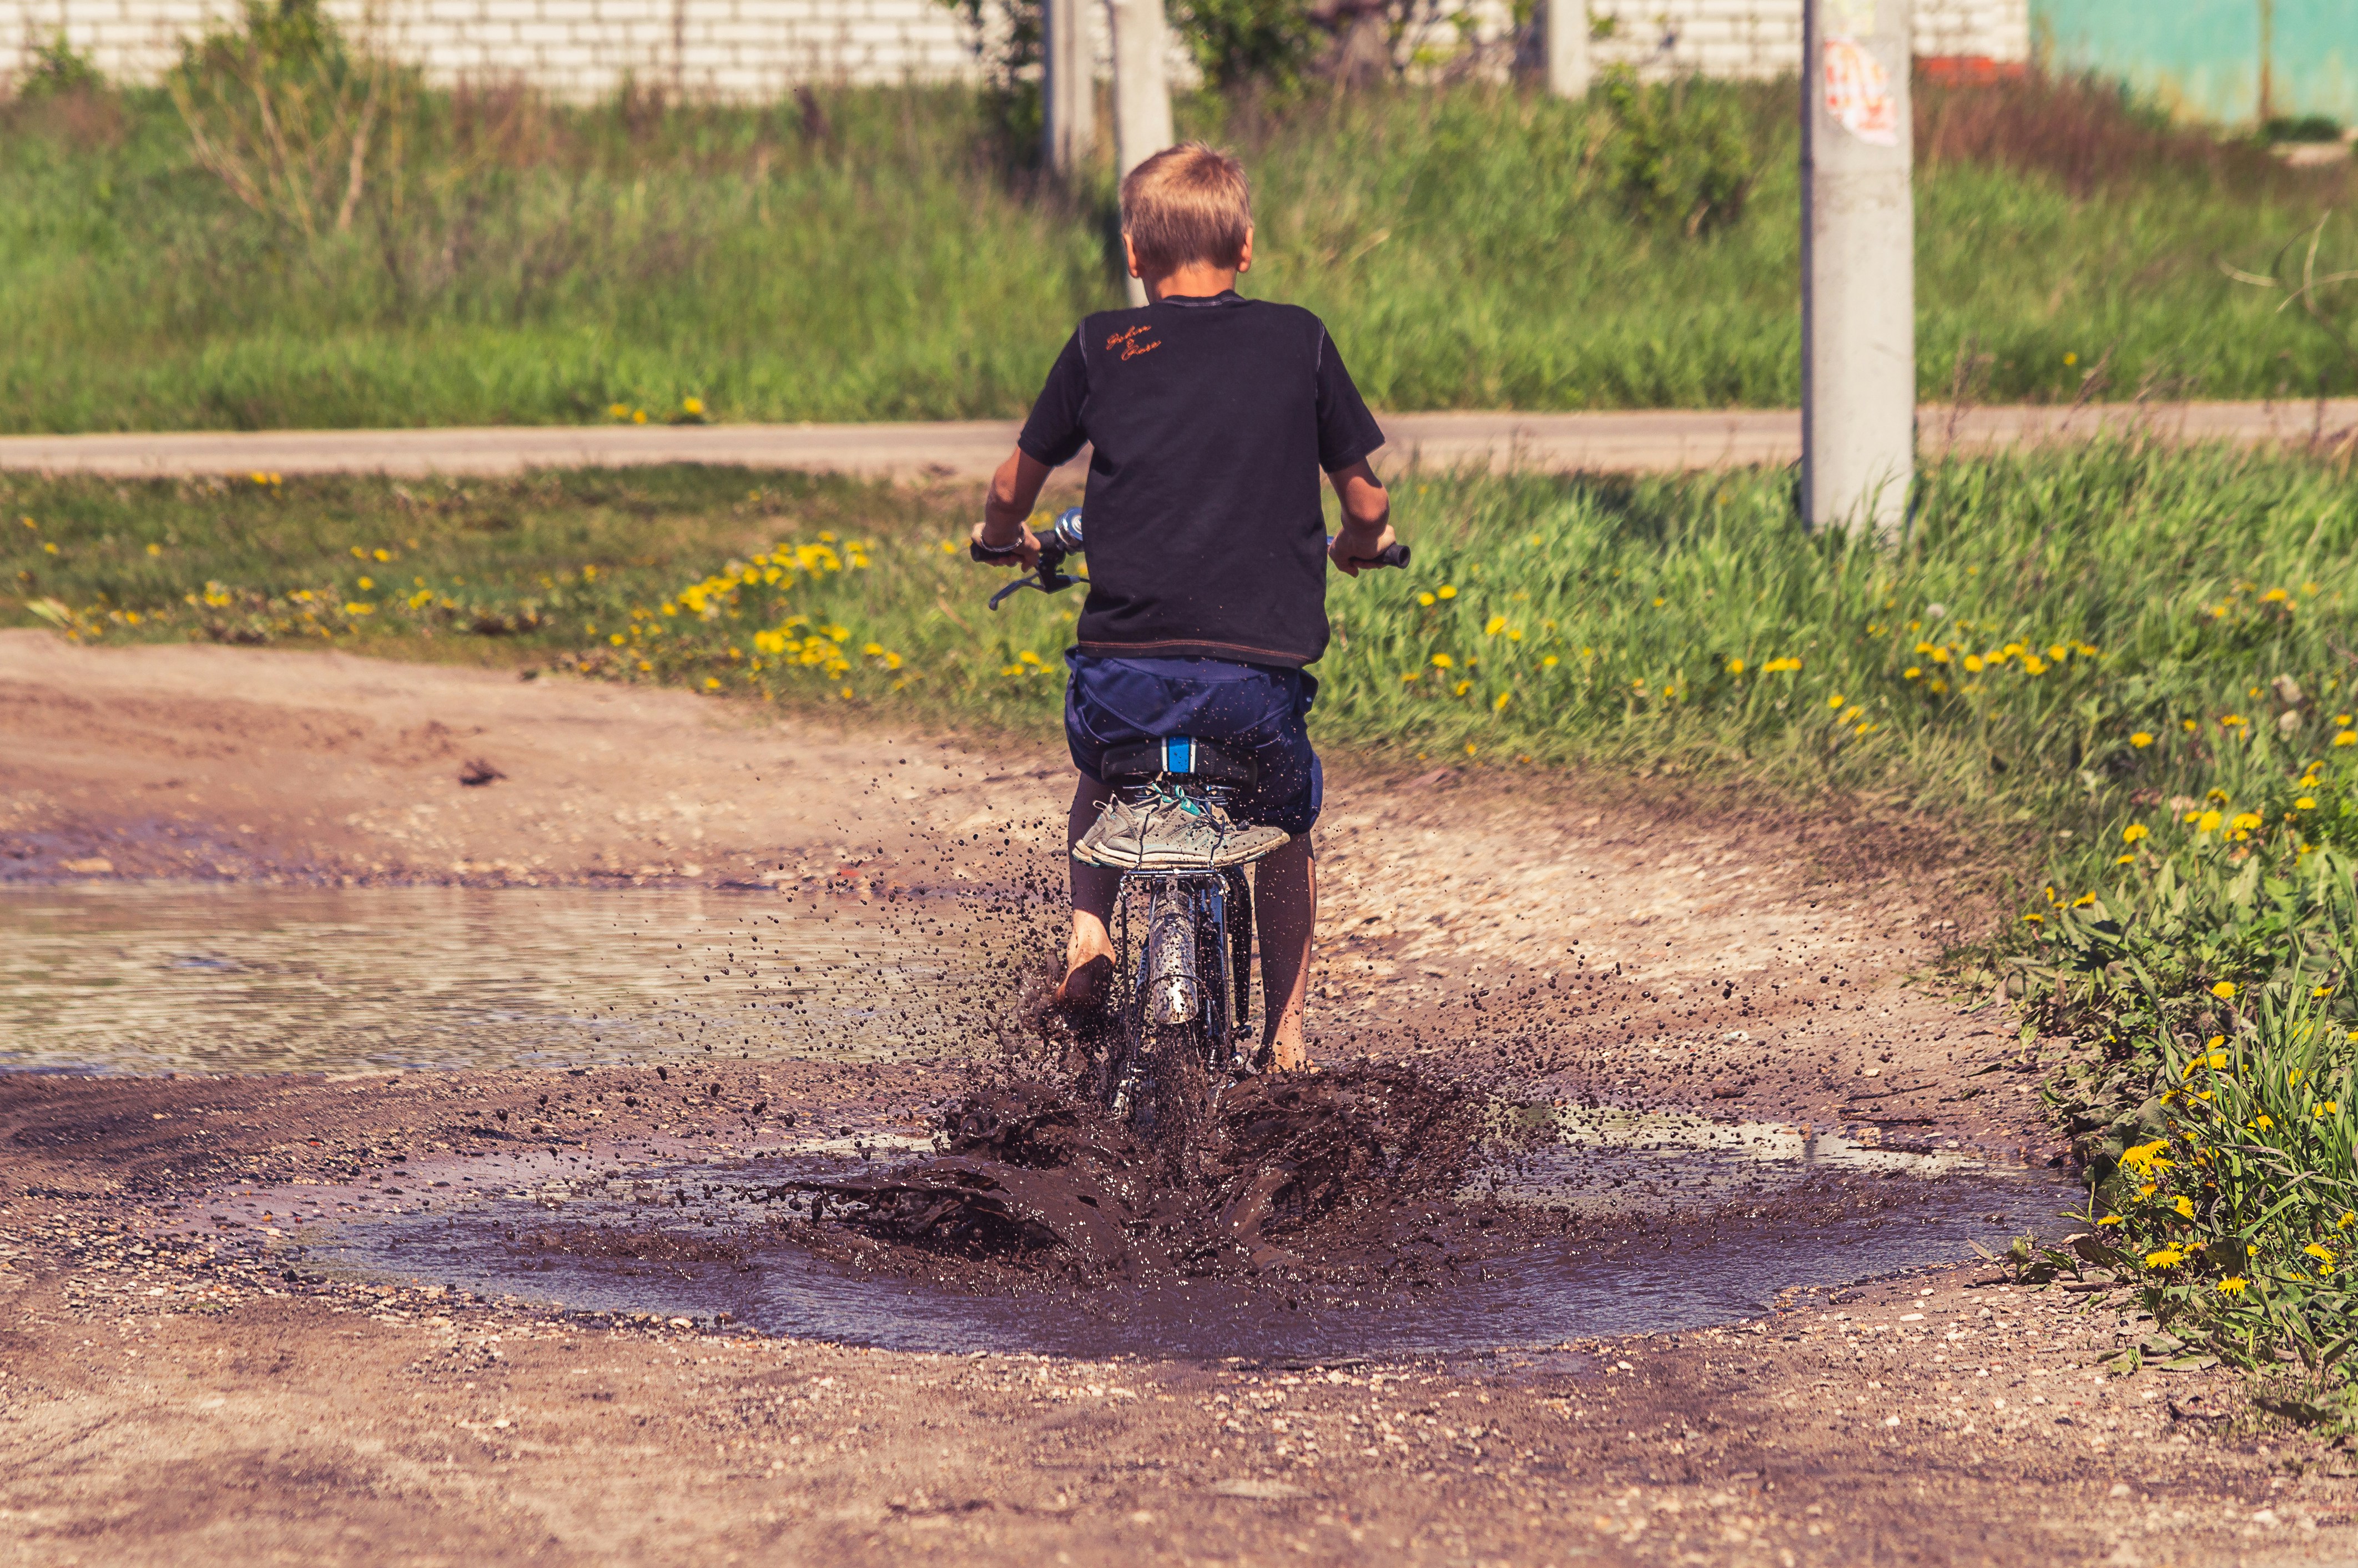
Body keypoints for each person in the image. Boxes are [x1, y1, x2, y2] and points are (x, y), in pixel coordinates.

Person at [968, 140, 1398, 1074]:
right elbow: (1367, 504)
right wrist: (1360, 546)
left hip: (1125, 685)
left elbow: (1013, 486)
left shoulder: (1099, 345)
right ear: (1246, 245)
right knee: (1284, 827)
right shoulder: (1301, 339)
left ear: (1133, 254)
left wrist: (1002, 534)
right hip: (1254, 691)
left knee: (1101, 771)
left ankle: (1090, 930)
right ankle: (1285, 1041)